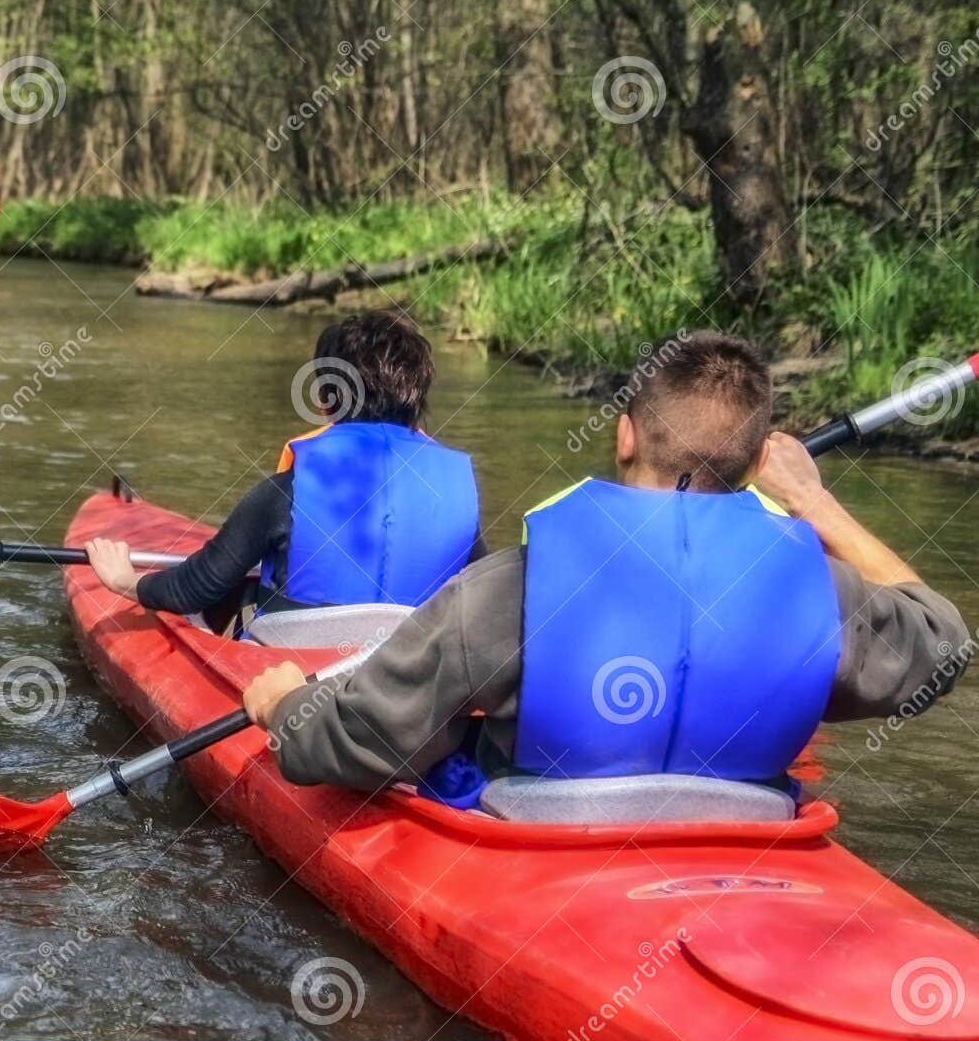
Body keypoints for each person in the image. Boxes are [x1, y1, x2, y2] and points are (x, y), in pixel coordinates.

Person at [242, 331, 968, 805]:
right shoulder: (819, 590)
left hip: (537, 840)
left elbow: (350, 741)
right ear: (757, 465)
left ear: (624, 434)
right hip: (746, 833)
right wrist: (814, 501)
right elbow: (945, 640)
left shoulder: (514, 588)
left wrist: (285, 708)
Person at [85, 310, 485, 625]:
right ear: (417, 400)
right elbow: (489, 593)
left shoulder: (286, 492)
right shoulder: (456, 495)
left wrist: (125, 579)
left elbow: (196, 588)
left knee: (239, 599)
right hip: (414, 671)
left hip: (298, 668)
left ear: (326, 398)